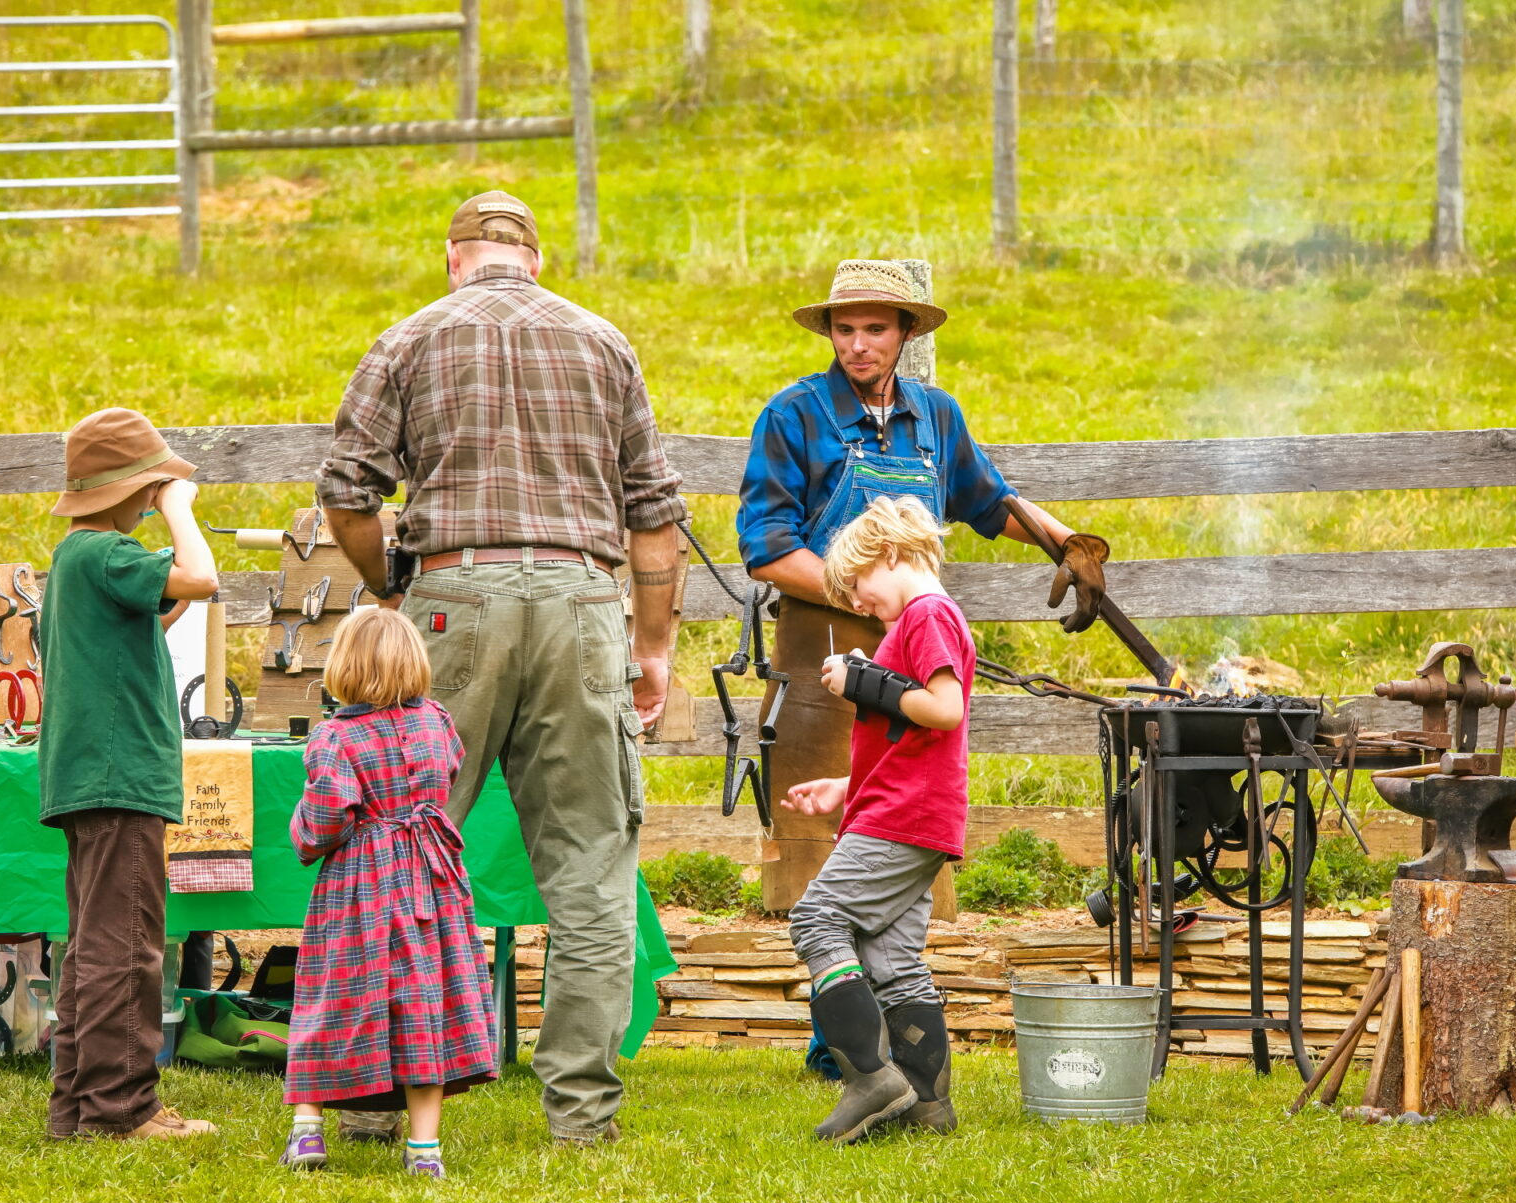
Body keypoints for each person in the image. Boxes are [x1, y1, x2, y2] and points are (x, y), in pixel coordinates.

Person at [319, 190, 686, 1147]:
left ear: (454, 258)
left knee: (394, 850)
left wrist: (389, 589)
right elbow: (654, 515)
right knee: (593, 868)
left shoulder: (406, 340)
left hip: (454, 600)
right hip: (582, 601)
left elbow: (348, 493)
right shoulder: (605, 343)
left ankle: (372, 1102)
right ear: (537, 259)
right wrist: (652, 648)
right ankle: (581, 1114)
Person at [737, 259, 1110, 913]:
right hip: (819, 648)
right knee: (813, 866)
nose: (858, 344)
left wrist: (1071, 545)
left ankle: (913, 984)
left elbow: (993, 502)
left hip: (914, 648)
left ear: (906, 332)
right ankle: (812, 995)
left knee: (904, 826)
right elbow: (767, 550)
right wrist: (853, 592)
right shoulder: (793, 415)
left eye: (875, 329)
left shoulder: (935, 416)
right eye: (844, 328)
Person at [38, 407, 220, 1140]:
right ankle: (124, 1112)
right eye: (149, 488)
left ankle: (77, 1108)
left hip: (88, 778)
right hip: (122, 778)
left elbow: (154, 616)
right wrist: (179, 506)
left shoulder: (74, 559)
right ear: (132, 489)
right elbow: (201, 577)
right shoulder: (108, 552)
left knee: (92, 945)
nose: (155, 500)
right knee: (130, 945)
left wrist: (160, 498)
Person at [781, 496, 975, 1143]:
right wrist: (844, 787)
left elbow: (945, 709)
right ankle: (926, 1102)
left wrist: (863, 681)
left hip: (902, 817)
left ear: (888, 554)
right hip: (911, 811)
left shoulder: (927, 614)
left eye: (859, 587)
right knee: (892, 958)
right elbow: (914, 739)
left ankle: (870, 1077)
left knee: (817, 917)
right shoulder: (919, 621)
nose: (858, 604)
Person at [280, 608, 498, 1178]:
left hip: (361, 883)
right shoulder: (437, 721)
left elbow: (327, 818)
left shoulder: (335, 737)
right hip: (432, 874)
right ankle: (425, 1151)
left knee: (335, 993)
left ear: (344, 666)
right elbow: (448, 773)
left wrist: (301, 831)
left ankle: (307, 1133)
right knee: (425, 998)